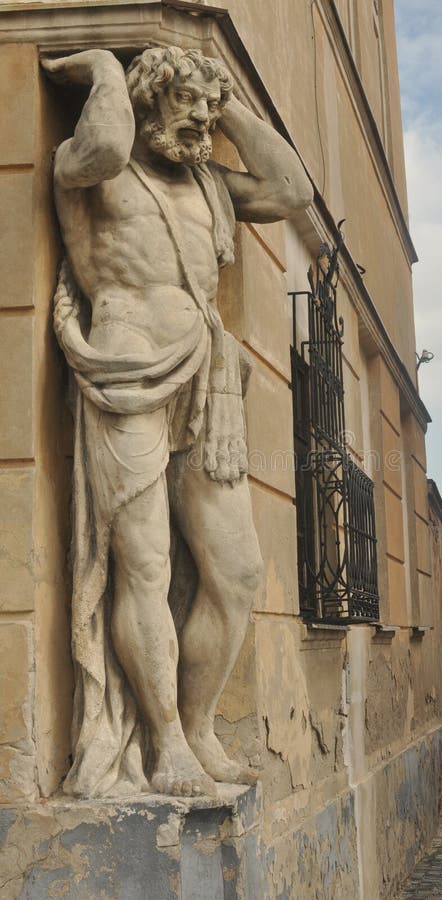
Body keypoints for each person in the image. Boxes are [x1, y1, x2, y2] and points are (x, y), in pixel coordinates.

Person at [42, 46, 312, 798]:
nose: (201, 120)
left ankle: (198, 725)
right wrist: (103, 66)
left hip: (208, 375)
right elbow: (100, 146)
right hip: (125, 367)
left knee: (235, 571)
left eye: (208, 109)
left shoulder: (210, 183)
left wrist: (224, 99)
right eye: (188, 103)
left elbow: (291, 188)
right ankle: (167, 745)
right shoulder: (89, 165)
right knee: (147, 566)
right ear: (148, 97)